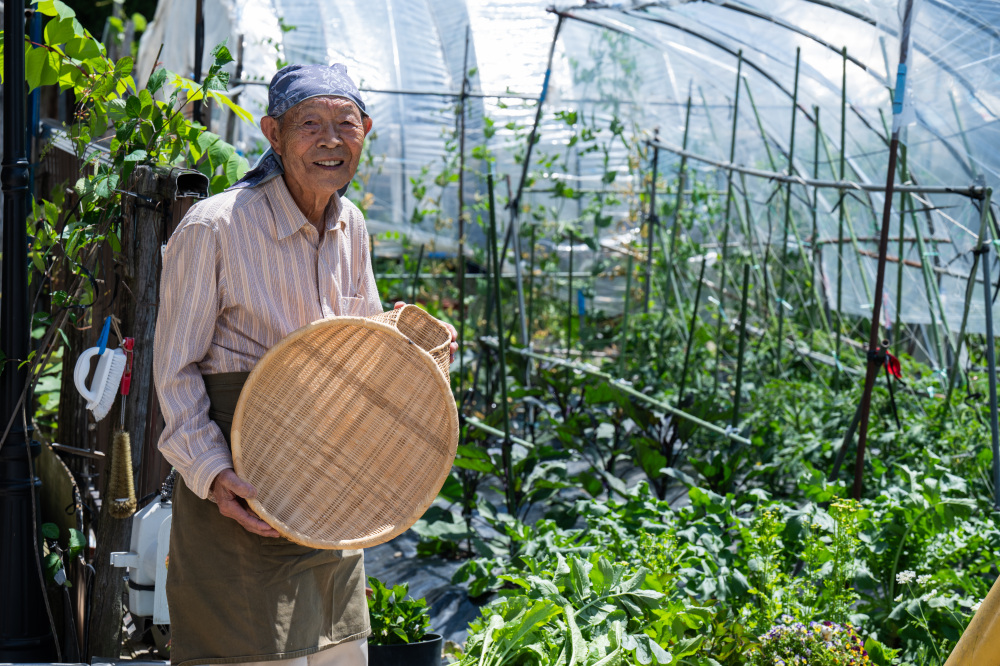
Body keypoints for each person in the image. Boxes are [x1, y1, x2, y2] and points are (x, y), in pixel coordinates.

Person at [154, 63, 457, 666]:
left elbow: (365, 352)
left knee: (340, 653)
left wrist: (417, 350)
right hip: (246, 488)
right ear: (272, 131)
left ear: (365, 131)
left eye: (345, 123)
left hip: (331, 491)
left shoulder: (353, 227)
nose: (330, 140)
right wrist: (213, 474)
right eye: (309, 124)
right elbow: (174, 371)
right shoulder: (215, 226)